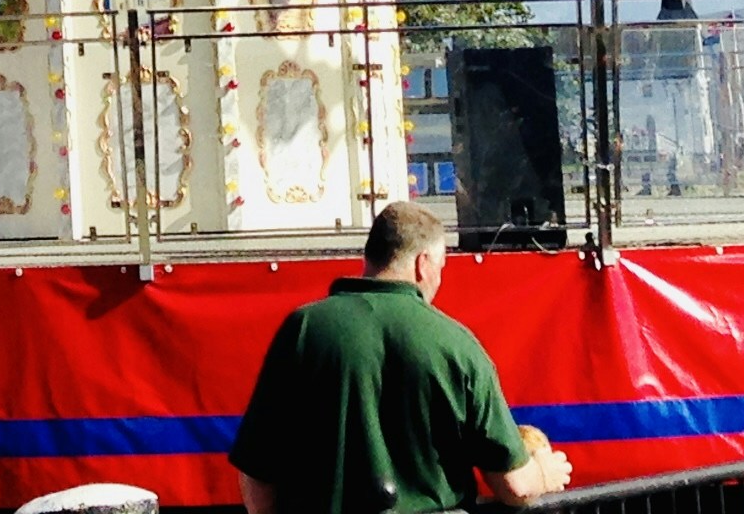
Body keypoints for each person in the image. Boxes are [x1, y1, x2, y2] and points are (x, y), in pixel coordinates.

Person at [229, 200, 572, 514]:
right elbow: (514, 484)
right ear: (423, 264)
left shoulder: (304, 329)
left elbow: (257, 470)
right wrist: (544, 472)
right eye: (440, 266)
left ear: (370, 256)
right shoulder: (458, 345)